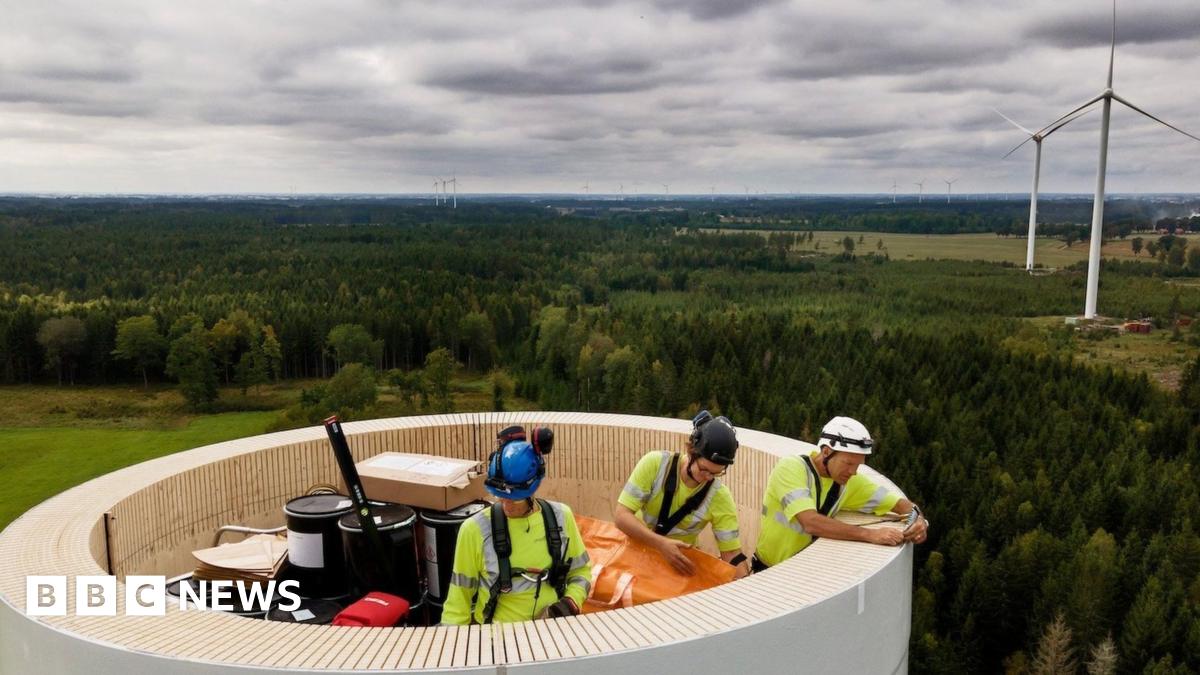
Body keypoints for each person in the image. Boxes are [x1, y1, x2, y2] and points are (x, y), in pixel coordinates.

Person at [441, 426, 592, 624]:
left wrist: (570, 603)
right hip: (498, 642)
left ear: (533, 488)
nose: (505, 504)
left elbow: (581, 573)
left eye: (514, 499)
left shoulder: (561, 517)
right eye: (499, 496)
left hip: (552, 636)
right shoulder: (474, 530)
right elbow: (457, 603)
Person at [753, 416, 929, 571]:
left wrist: (918, 519)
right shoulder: (791, 468)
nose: (853, 472)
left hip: (802, 572)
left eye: (858, 465)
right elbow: (810, 522)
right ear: (826, 452)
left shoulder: (848, 482)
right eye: (848, 463)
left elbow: (900, 504)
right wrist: (869, 535)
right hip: (768, 569)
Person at [614, 410, 751, 579]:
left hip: (678, 567)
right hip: (636, 554)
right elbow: (621, 516)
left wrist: (746, 585)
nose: (707, 478)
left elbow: (731, 554)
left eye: (716, 474)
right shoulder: (655, 465)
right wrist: (661, 544)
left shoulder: (720, 496)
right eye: (703, 469)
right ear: (692, 451)